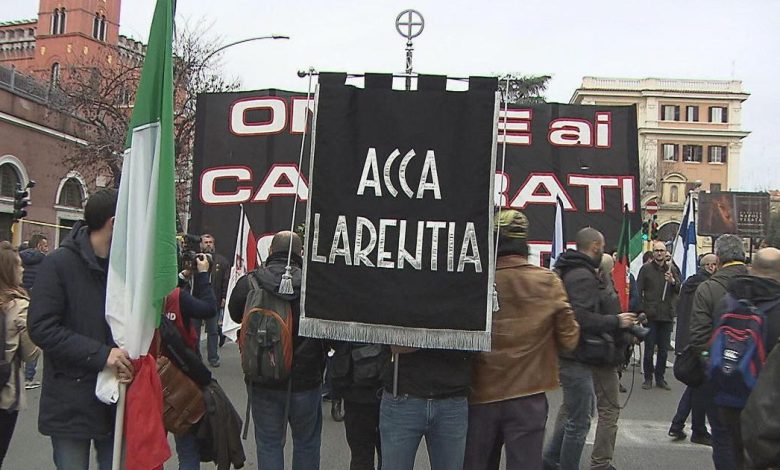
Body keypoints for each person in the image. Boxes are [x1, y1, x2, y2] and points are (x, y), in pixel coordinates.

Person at [465, 210, 579, 470]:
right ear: (524, 242)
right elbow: (570, 339)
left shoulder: (478, 279)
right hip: (528, 395)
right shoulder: (547, 281)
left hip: (480, 393)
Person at [28, 189, 133, 470]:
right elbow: (41, 327)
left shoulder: (124, 268)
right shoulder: (58, 263)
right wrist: (102, 355)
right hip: (70, 401)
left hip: (115, 401)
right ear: (114, 222)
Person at [228, 231, 325, 470]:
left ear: (271, 251)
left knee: (269, 443)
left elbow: (233, 313)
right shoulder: (316, 285)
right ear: (300, 253)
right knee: (306, 443)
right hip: (306, 381)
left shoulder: (250, 282)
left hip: (263, 376)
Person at [543, 228, 636, 470]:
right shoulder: (583, 276)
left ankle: (551, 459)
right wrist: (616, 322)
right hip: (581, 353)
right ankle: (582, 464)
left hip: (577, 352)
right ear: (595, 246)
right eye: (603, 246)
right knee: (580, 420)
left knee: (574, 412)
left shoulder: (572, 271)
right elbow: (581, 317)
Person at [710, 247, 780, 469]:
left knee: (732, 452)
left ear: (752, 268)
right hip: (768, 404)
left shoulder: (727, 301)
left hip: (729, 394)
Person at [689, 234, 748, 470]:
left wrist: (712, 366)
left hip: (720, 376)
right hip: (754, 375)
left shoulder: (709, 288)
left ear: (719, 257)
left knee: (722, 437)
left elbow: (699, 338)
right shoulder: (762, 283)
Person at [164, 253, 218, 469]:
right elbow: (208, 309)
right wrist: (203, 275)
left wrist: (183, 277)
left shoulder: (142, 292)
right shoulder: (178, 297)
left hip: (146, 376)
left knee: (147, 448)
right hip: (180, 378)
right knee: (187, 448)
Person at [668, 253, 717, 444]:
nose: (715, 268)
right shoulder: (705, 287)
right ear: (707, 266)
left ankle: (678, 425)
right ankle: (697, 430)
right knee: (700, 387)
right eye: (712, 265)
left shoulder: (688, 285)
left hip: (687, 340)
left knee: (695, 386)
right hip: (698, 342)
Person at [0, 241, 41, 467]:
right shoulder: (19, 306)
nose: (23, 270)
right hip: (6, 393)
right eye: (18, 266)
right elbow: (31, 353)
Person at [330, 341, 388, 470]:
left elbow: (332, 340)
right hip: (386, 384)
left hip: (354, 385)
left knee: (361, 457)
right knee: (388, 457)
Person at [636, 241, 680, 390]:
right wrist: (641, 311)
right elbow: (638, 291)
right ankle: (647, 378)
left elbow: (679, 289)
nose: (659, 253)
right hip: (651, 315)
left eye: (662, 250)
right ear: (653, 253)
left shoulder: (671, 269)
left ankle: (660, 378)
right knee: (649, 350)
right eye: (657, 251)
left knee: (663, 351)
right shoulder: (645, 269)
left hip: (666, 315)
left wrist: (672, 281)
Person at [194, 234, 230, 366]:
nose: (208, 244)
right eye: (205, 242)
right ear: (201, 244)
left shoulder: (221, 261)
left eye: (210, 242)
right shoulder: (195, 260)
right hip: (196, 300)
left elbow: (225, 281)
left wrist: (224, 297)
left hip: (213, 300)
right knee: (195, 331)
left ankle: (213, 357)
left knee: (213, 331)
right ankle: (195, 357)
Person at [19, 233, 48, 390]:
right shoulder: (45, 261)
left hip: (20, 298)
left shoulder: (20, 258)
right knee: (32, 338)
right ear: (38, 246)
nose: (47, 248)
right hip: (34, 302)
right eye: (44, 245)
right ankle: (29, 377)